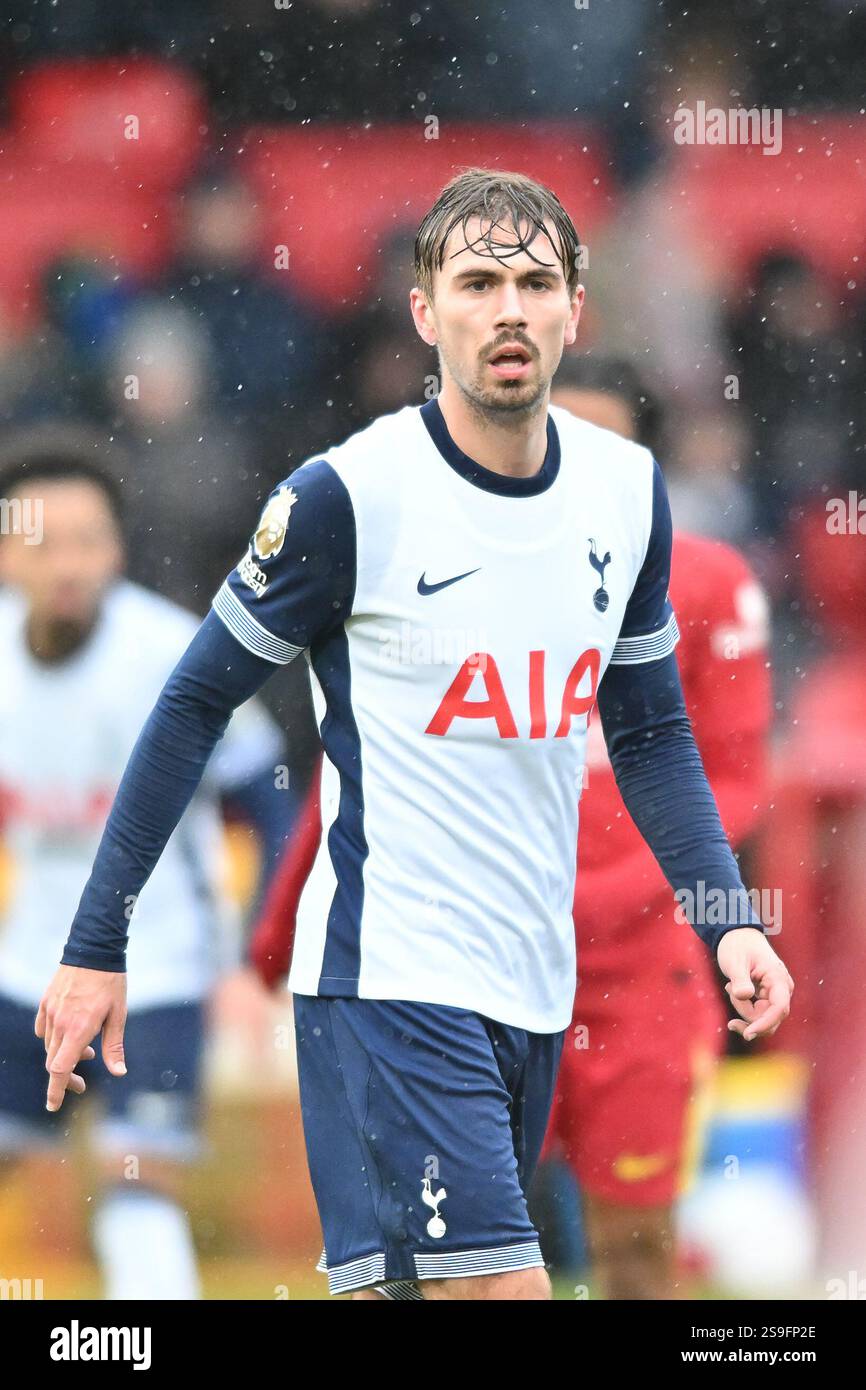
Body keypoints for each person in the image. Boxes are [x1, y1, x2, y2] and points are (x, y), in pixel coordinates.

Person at [35, 169, 793, 1302]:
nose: (508, 310)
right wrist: (101, 941)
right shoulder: (349, 497)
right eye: (477, 281)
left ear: (575, 308)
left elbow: (647, 732)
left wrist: (723, 916)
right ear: (424, 311)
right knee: (501, 1290)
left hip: (533, 980)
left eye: (536, 283)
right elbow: (193, 702)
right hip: (387, 974)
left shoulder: (626, 491)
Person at [0, 451, 292, 1298]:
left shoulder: (176, 654)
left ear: (117, 550)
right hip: (27, 975)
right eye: (45, 542)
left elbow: (274, 808)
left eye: (88, 540)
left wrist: (251, 964)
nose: (68, 563)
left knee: (137, 1189)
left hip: (156, 975)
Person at [541, 355, 773, 1297]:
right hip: (489, 951)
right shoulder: (459, 577)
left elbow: (736, 781)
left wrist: (616, 896)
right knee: (465, 1254)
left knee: (635, 1254)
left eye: (609, 444)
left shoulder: (710, 582)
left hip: (643, 966)